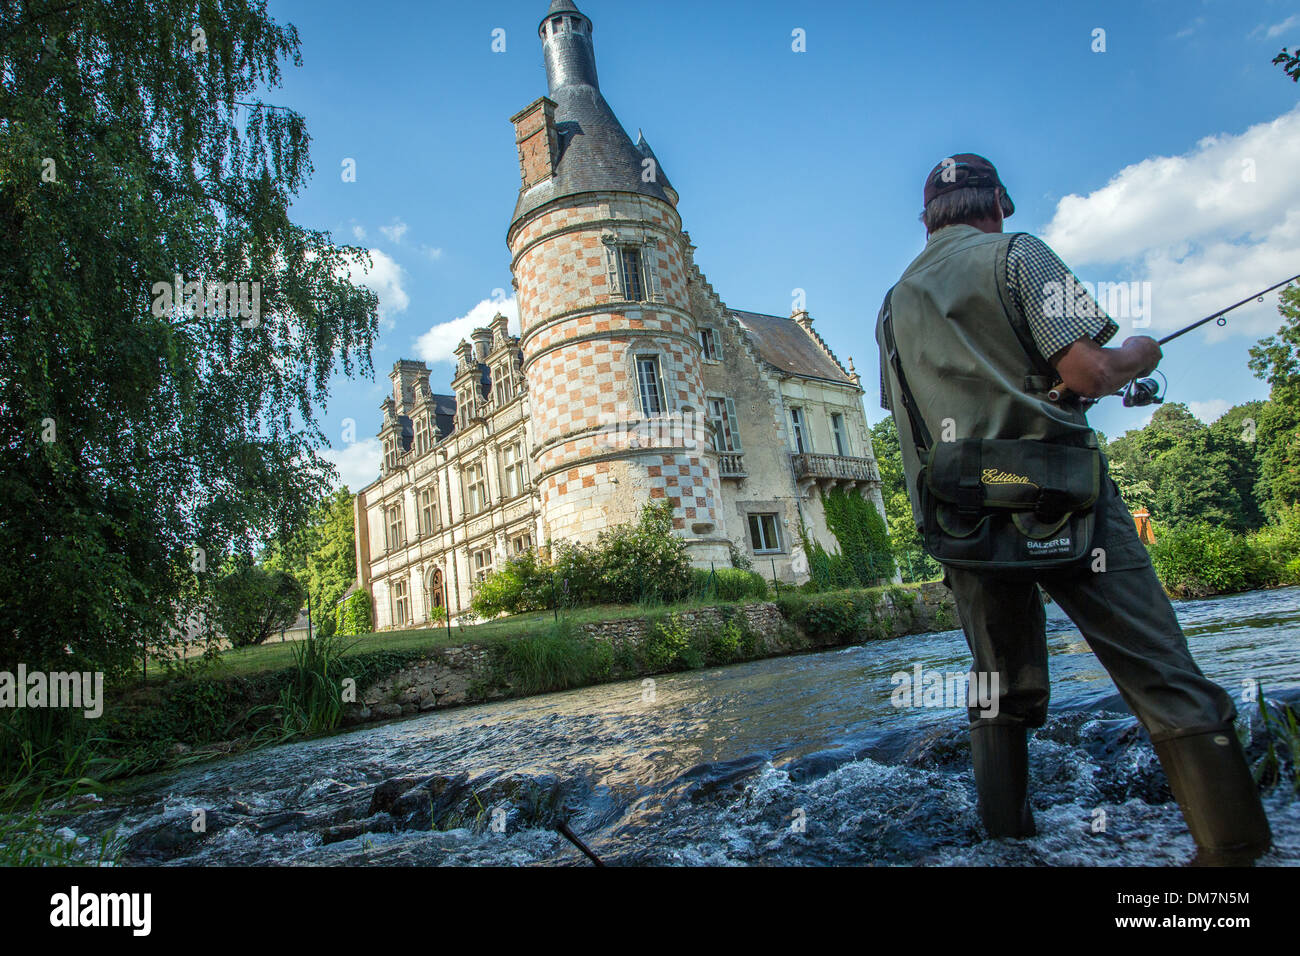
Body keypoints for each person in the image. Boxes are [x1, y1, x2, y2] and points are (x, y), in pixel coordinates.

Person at [874, 153, 1272, 864]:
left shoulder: (894, 303)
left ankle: (1008, 845)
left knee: (1000, 687)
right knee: (1163, 675)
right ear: (997, 201)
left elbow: (932, 411)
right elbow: (1090, 371)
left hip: (962, 518)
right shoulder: (1019, 255)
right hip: (1065, 502)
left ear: (926, 219)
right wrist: (1139, 355)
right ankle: (1234, 861)